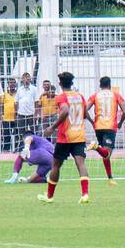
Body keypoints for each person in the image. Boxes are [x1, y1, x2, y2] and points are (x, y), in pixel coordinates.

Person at [39, 72, 92, 204]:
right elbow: (85, 114)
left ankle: (50, 196)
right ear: (72, 83)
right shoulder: (80, 96)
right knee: (81, 164)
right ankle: (85, 194)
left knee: (56, 165)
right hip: (79, 135)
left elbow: (65, 110)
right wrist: (93, 123)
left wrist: (52, 127)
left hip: (65, 137)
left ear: (60, 84)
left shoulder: (61, 97)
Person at [86, 76, 125, 186]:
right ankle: (96, 147)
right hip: (110, 127)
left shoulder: (95, 95)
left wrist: (91, 121)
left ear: (100, 85)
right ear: (110, 85)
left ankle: (110, 178)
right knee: (107, 153)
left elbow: (84, 110)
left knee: (105, 154)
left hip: (98, 127)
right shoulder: (116, 95)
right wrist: (120, 123)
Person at [0, 79, 18, 152]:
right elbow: (1, 104)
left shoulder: (18, 93)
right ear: (8, 84)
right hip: (6, 117)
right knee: (6, 134)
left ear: (16, 84)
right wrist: (1, 114)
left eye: (14, 83)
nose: (12, 84)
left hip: (16, 117)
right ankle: (6, 149)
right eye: (10, 82)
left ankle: (17, 149)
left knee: (17, 134)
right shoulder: (4, 94)